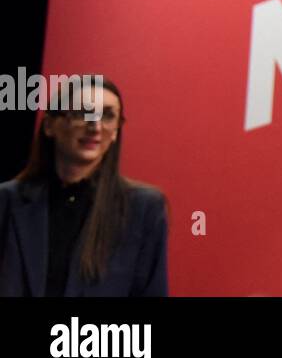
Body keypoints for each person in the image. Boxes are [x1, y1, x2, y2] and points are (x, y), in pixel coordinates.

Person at [0, 77, 168, 296]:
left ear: (116, 130)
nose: (95, 127)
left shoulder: (144, 208)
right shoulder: (7, 201)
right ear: (50, 125)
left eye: (107, 116)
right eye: (82, 113)